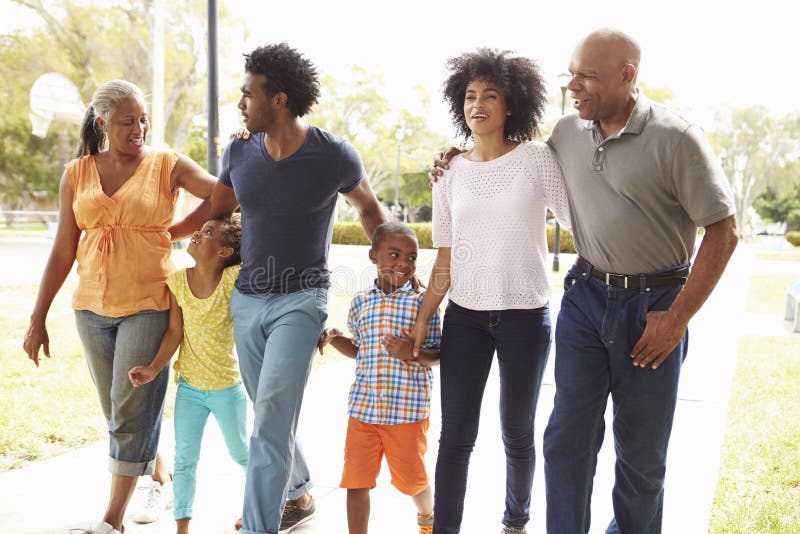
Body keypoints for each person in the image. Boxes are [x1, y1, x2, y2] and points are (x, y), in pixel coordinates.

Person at [431, 28, 739, 534]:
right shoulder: (567, 133)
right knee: (565, 440)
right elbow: (499, 158)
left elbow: (724, 232)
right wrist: (454, 157)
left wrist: (678, 317)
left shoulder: (678, 138)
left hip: (655, 305)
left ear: (628, 75)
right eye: (570, 73)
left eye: (586, 76)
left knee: (640, 457)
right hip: (586, 297)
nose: (573, 85)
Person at [176, 43, 387, 534]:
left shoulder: (332, 154)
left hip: (301, 300)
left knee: (270, 417)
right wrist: (168, 236)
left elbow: (369, 209)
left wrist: (389, 261)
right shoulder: (238, 151)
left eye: (248, 94)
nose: (241, 102)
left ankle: (258, 526)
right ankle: (298, 493)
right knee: (271, 409)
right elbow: (216, 211)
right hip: (247, 301)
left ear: (280, 99)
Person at [22, 79, 217, 534]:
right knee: (120, 408)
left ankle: (112, 521)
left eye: (143, 119)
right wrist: (38, 316)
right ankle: (159, 478)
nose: (139, 128)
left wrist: (173, 230)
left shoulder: (167, 164)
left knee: (131, 409)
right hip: (90, 306)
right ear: (102, 121)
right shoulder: (76, 173)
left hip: (149, 302)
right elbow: (62, 250)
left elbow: (224, 194)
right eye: (128, 120)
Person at [411, 48, 571, 534]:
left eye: (490, 95)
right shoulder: (448, 173)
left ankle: (515, 520)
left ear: (511, 104)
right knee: (455, 436)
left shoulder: (538, 159)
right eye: (469, 95)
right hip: (466, 318)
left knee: (517, 432)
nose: (477, 103)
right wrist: (424, 316)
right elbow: (446, 254)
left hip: (526, 317)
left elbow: (577, 226)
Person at [317, 222, 442, 534]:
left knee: (412, 480)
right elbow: (361, 350)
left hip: (406, 413)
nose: (404, 263)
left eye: (412, 258)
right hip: (364, 410)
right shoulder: (361, 302)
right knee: (356, 481)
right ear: (373, 256)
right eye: (395, 254)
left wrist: (410, 353)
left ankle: (428, 515)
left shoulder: (422, 303)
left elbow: (439, 354)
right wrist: (336, 339)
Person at [128, 214, 247, 534]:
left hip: (226, 387)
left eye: (208, 233)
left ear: (224, 253)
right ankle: (182, 526)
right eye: (201, 228)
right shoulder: (178, 281)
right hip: (190, 389)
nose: (197, 233)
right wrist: (154, 368)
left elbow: (258, 249)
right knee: (185, 462)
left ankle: (262, 506)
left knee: (243, 453)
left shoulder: (234, 278)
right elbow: (174, 332)